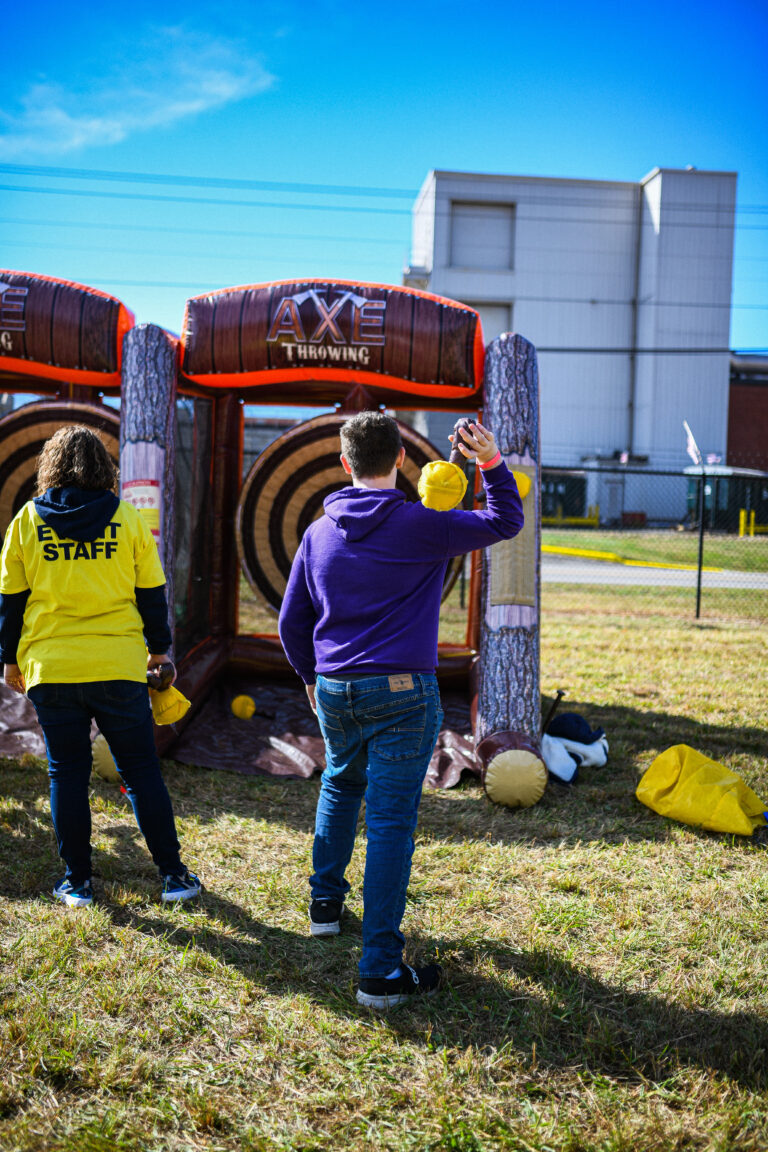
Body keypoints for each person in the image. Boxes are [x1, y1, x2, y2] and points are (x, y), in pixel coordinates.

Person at [278, 412, 524, 1009]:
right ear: (401, 464)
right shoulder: (422, 525)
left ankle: (324, 908)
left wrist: (314, 679)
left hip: (335, 688)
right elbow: (505, 520)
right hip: (401, 695)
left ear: (344, 463)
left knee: (339, 784)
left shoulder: (317, 532)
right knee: (389, 823)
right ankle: (381, 974)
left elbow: (292, 624)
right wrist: (489, 461)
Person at [0, 425, 200, 908]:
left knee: (66, 774)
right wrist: (159, 651)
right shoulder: (127, 519)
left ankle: (78, 882)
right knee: (141, 771)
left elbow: (10, 601)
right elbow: (152, 592)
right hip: (119, 667)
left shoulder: (27, 520)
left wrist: (8, 661)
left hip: (53, 669)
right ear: (103, 469)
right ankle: (173, 876)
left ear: (51, 466)